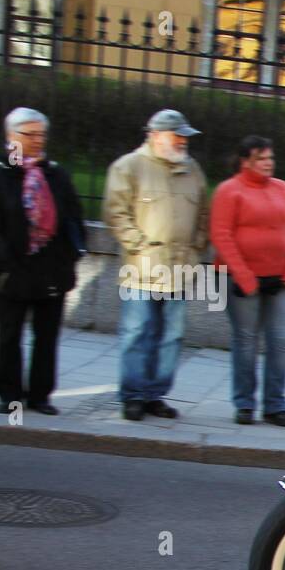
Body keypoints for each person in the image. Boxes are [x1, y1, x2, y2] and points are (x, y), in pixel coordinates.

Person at [0, 107, 85, 416]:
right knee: (10, 337)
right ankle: (10, 396)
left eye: (41, 135)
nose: (38, 141)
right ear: (11, 137)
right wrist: (6, 265)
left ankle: (40, 396)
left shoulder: (56, 174)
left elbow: (73, 219)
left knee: (46, 337)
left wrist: (70, 256)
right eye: (30, 134)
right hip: (12, 272)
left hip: (51, 271)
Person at [103, 109, 209, 421]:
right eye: (177, 136)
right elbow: (115, 213)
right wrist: (139, 245)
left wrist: (197, 245)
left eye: (185, 136)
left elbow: (204, 212)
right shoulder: (129, 167)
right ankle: (133, 395)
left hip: (180, 269)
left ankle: (155, 395)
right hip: (142, 270)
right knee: (138, 333)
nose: (183, 141)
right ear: (156, 136)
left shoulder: (192, 170)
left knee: (171, 337)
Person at [210, 135, 285, 427]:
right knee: (246, 342)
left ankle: (275, 405)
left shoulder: (283, 189)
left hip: (280, 280)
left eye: (270, 158)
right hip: (241, 280)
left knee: (282, 341)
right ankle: (244, 404)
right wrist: (244, 277)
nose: (268, 164)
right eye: (261, 159)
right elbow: (222, 235)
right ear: (245, 161)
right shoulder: (229, 191)